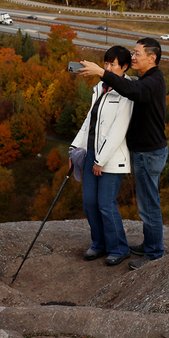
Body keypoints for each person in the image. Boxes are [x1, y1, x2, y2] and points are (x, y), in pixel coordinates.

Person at [76, 37, 166, 269]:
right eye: (133, 53)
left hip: (148, 152)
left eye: (137, 53)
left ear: (152, 58)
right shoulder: (144, 80)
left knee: (148, 206)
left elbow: (132, 92)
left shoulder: (151, 81)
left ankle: (154, 253)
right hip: (141, 151)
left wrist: (102, 74)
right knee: (142, 204)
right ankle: (148, 245)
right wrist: (77, 148)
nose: (133, 56)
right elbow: (91, 121)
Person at [70, 45, 135, 265]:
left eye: (112, 64)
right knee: (89, 203)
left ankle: (119, 248)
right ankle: (99, 244)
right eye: (105, 63)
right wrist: (75, 148)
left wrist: (100, 160)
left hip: (111, 160)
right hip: (91, 156)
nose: (107, 67)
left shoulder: (127, 92)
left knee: (106, 204)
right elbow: (90, 121)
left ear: (124, 67)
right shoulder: (100, 88)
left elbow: (118, 130)